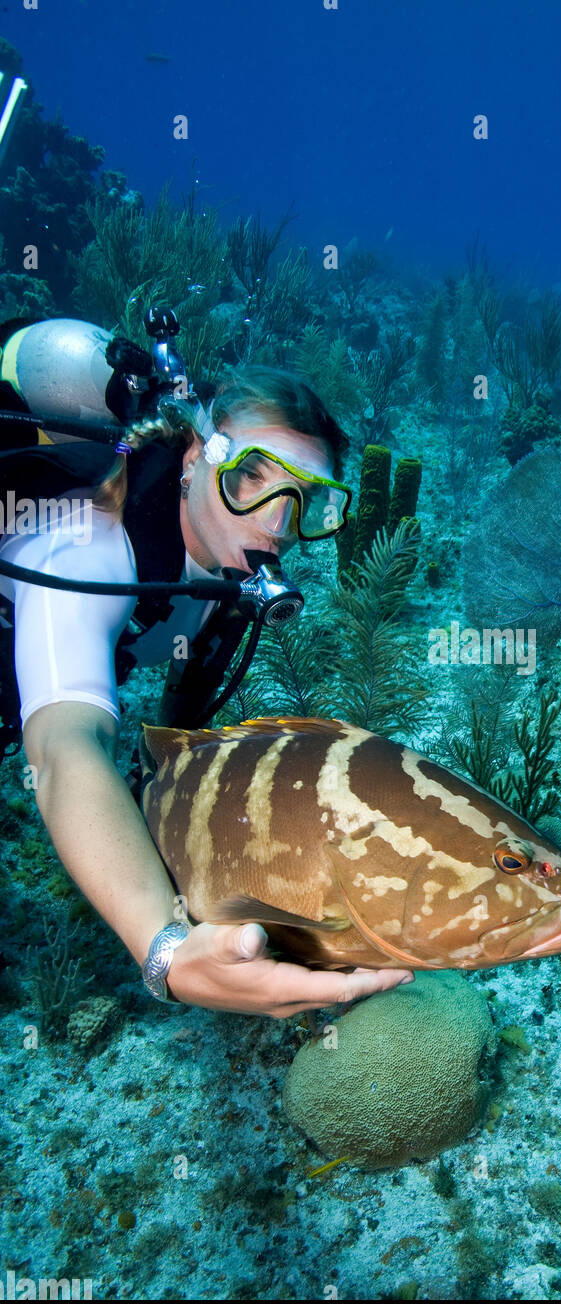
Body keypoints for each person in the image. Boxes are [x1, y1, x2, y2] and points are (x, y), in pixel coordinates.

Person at [0, 333, 414, 1014]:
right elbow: (63, 749)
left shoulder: (231, 573)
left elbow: (182, 718)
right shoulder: (85, 548)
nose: (277, 523)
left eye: (307, 500)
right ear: (195, 456)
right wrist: (164, 947)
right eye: (252, 476)